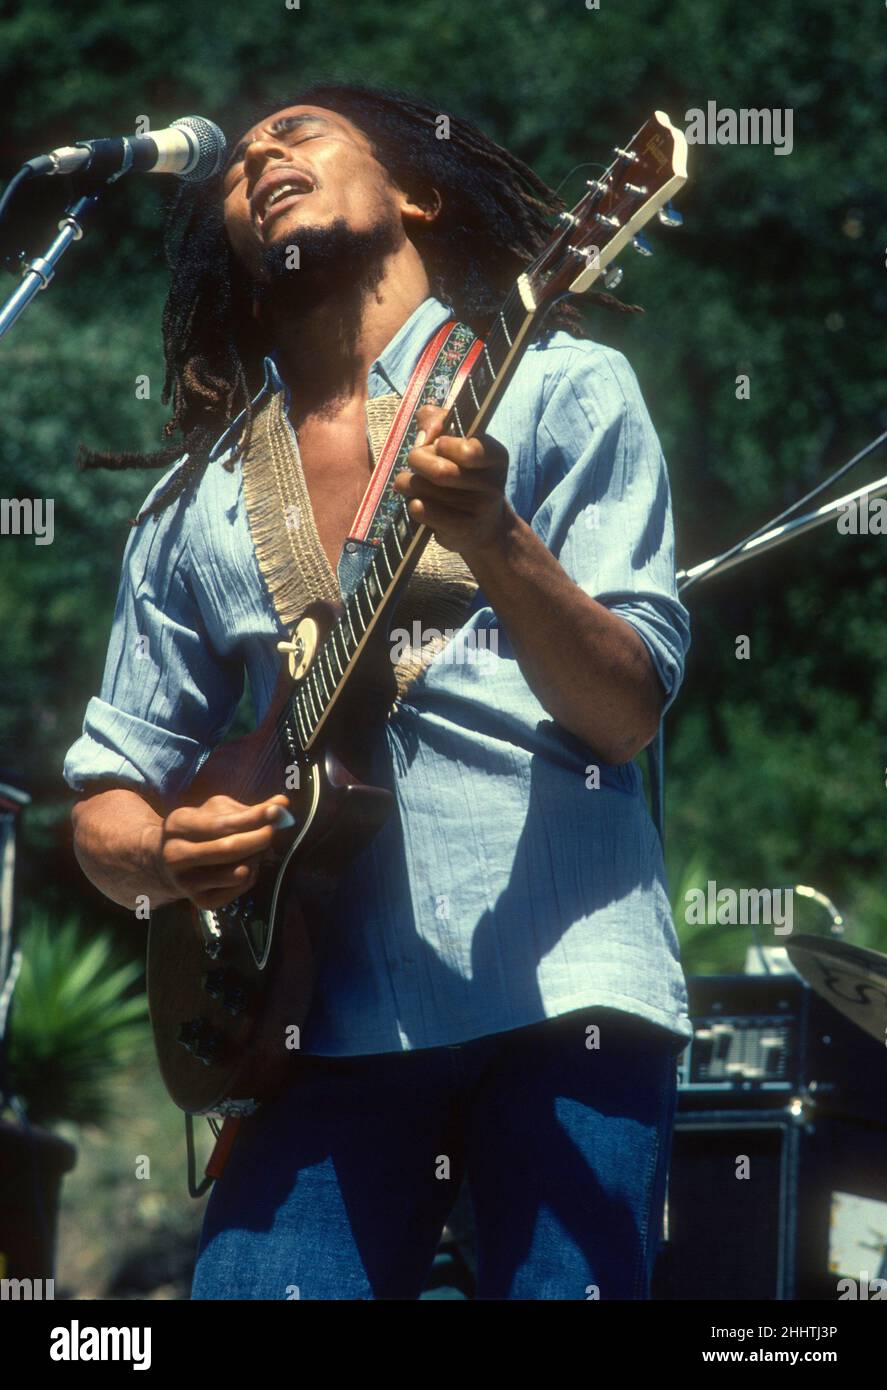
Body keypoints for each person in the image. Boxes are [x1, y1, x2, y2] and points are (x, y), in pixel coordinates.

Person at [64, 82, 692, 1300]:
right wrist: (167, 853)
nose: (260, 155)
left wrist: (494, 537)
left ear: (416, 195)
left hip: (565, 992)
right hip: (312, 1025)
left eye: (298, 134)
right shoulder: (189, 503)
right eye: (240, 162)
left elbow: (624, 713)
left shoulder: (560, 385)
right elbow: (105, 802)